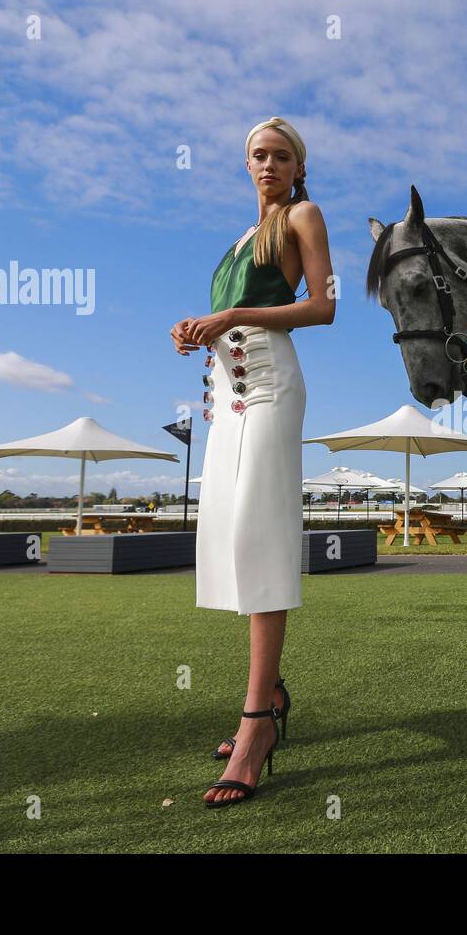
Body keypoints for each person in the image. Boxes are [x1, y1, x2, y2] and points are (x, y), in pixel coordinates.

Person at [170, 117, 335, 808]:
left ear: (298, 166)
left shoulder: (303, 214)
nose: (269, 164)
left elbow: (323, 307)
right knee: (230, 541)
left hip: (272, 387)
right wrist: (197, 334)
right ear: (246, 166)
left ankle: (256, 723)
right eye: (258, 156)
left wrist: (232, 314)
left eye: (281, 155)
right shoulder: (238, 239)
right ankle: (268, 691)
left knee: (260, 541)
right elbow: (228, 327)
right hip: (229, 398)